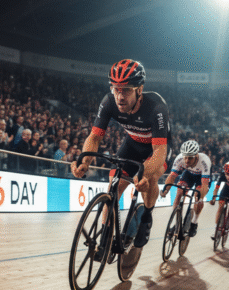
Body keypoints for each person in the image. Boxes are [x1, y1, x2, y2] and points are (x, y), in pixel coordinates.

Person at [71, 59, 171, 248]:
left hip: (156, 148)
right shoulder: (108, 101)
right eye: (115, 89)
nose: (119, 96)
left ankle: (146, 217)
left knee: (149, 179)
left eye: (126, 90)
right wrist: (85, 161)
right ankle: (105, 239)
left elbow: (159, 151)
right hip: (132, 144)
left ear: (139, 90)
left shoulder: (156, 107)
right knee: (113, 186)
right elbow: (94, 137)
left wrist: (143, 173)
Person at [160, 140, 211, 237]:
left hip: (202, 177)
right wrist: (165, 190)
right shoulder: (179, 158)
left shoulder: (204, 161)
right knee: (179, 192)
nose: (187, 160)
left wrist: (200, 198)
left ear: (196, 156)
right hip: (189, 174)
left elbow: (204, 184)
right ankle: (177, 222)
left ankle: (194, 222)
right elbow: (172, 176)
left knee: (198, 197)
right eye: (185, 157)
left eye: (190, 158)